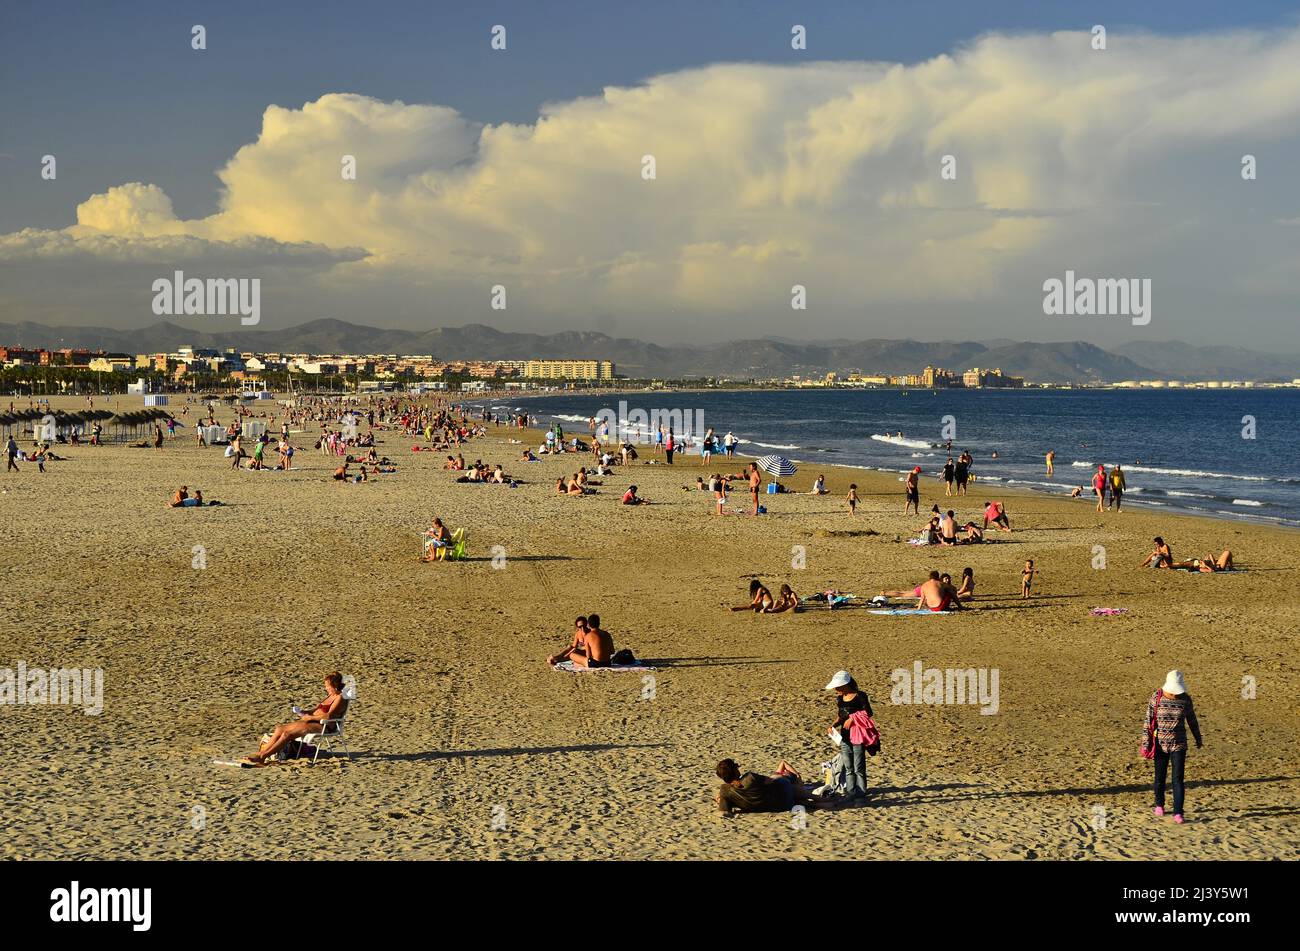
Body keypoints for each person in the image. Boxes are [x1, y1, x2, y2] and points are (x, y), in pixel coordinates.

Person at [244, 672, 349, 765]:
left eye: (328, 686)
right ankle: (260, 753)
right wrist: (304, 712)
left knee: (287, 735)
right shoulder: (330, 696)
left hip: (324, 725)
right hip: (311, 721)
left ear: (335, 685)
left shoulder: (340, 697)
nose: (326, 688)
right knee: (279, 729)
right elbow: (316, 710)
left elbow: (328, 715)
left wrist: (310, 717)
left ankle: (263, 757)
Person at [1140, 670, 1203, 824]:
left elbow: (1192, 720)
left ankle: (1178, 812)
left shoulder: (1186, 700)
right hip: (1160, 744)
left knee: (1178, 780)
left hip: (1179, 744)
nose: (1175, 694)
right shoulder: (1157, 697)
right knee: (1159, 778)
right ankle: (1159, 804)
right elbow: (1148, 721)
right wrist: (1145, 743)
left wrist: (1198, 737)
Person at [715, 759, 827, 816]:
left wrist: (721, 799)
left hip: (776, 806)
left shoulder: (725, 791)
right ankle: (826, 800)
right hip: (781, 799)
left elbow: (725, 811)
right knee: (795, 790)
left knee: (803, 803)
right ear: (735, 770)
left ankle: (820, 803)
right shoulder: (749, 778)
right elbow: (771, 781)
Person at [825, 670, 873, 802]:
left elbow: (868, 713)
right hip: (845, 736)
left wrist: (853, 718)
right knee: (848, 767)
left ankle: (861, 793)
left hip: (857, 735)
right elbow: (841, 715)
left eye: (837, 687)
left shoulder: (860, 696)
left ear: (845, 685)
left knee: (859, 767)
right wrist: (833, 725)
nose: (835, 689)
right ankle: (850, 792)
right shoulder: (840, 698)